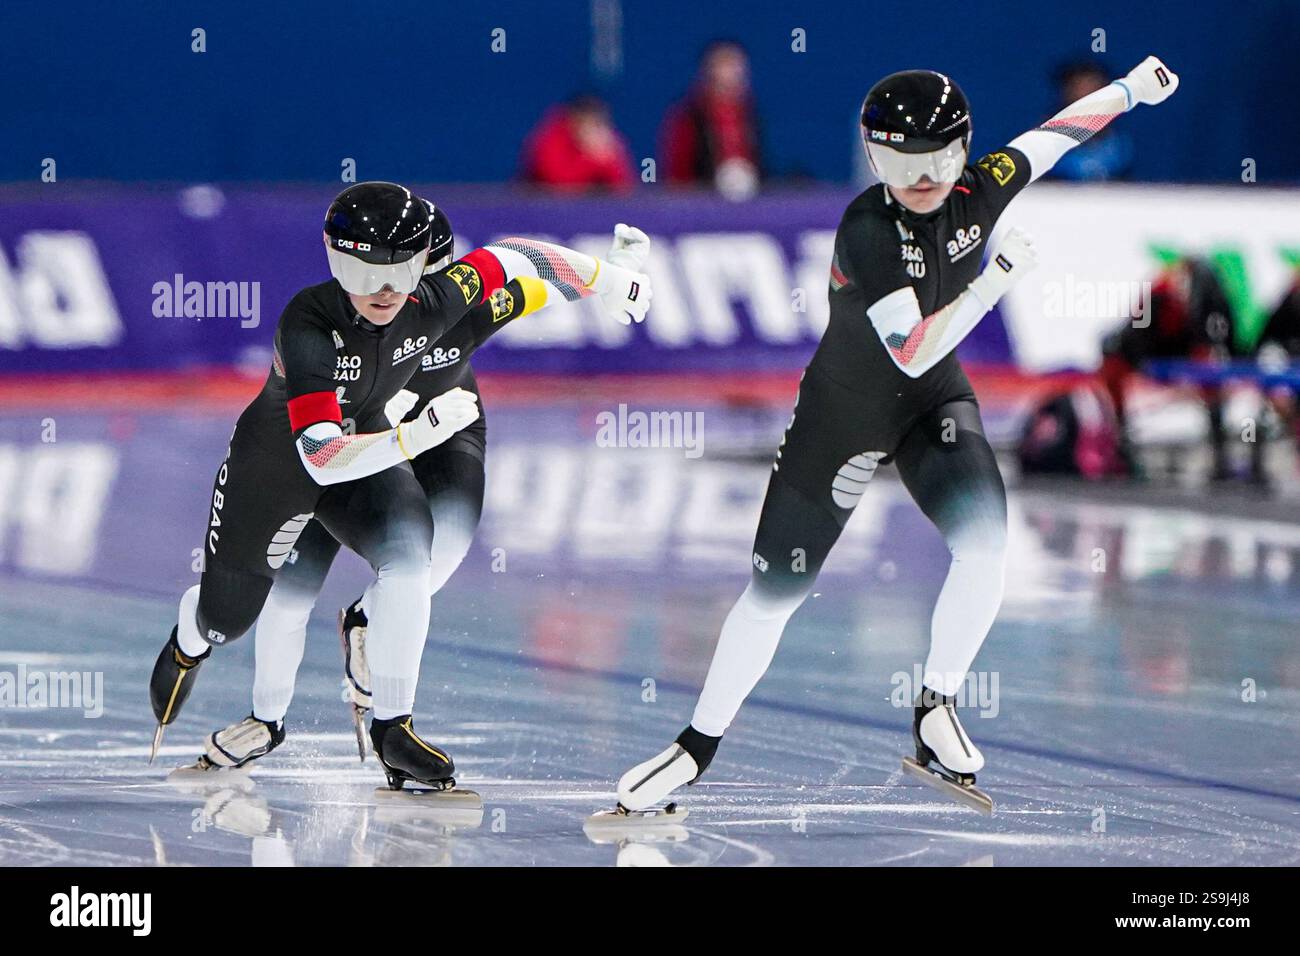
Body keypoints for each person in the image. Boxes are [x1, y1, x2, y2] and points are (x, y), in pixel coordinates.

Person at [610, 57, 1180, 815]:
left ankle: (936, 706)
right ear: (874, 160)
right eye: (901, 161)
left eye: (942, 158)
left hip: (931, 404)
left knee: (985, 545)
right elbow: (909, 346)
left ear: (965, 150)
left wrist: (1134, 89)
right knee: (774, 597)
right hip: (842, 420)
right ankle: (695, 747)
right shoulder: (868, 231)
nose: (925, 176)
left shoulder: (980, 187)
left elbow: (1055, 135)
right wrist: (991, 283)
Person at [149, 181, 653, 794]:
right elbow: (320, 456)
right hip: (291, 467)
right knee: (238, 616)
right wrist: (415, 438)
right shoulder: (310, 324)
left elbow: (524, 266)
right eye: (370, 273)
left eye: (408, 271)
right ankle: (200, 641)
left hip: (373, 444)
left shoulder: (447, 301)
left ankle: (393, 725)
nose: (389, 290)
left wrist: (611, 275)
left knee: (413, 561)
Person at [660, 40, 761, 199]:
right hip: (701, 208)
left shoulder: (751, 115)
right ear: (709, 72)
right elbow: (678, 177)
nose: (732, 73)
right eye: (725, 65)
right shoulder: (689, 117)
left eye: (737, 66)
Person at [520, 95, 635, 193]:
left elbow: (623, 187)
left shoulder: (606, 140)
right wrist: (592, 159)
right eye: (585, 122)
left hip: (589, 211)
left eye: (596, 123)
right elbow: (559, 185)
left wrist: (608, 160)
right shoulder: (551, 138)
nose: (591, 129)